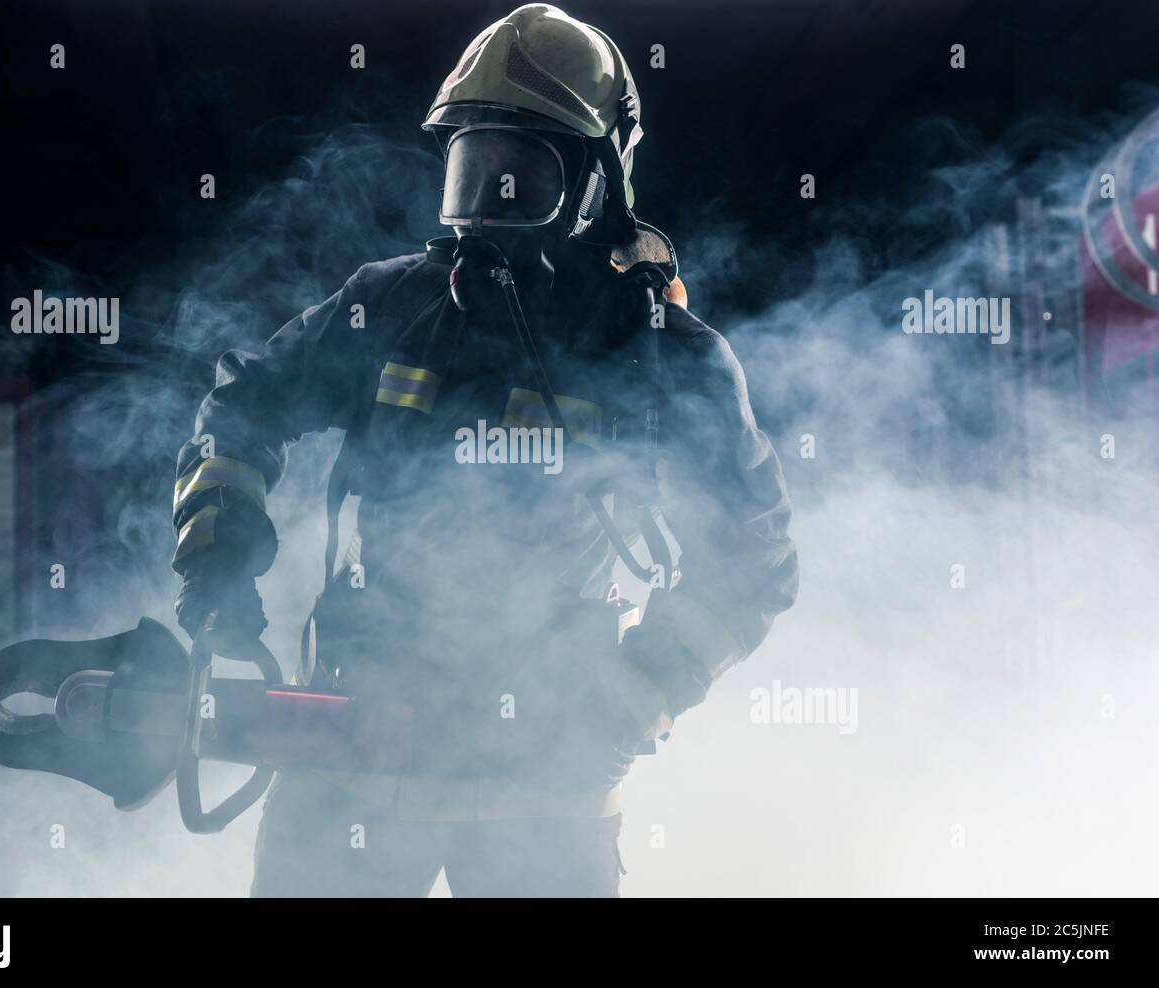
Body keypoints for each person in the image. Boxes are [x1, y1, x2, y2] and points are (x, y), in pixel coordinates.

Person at [170, 3, 798, 897]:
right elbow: (241, 410)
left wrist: (628, 702)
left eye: (521, 171)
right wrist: (217, 559)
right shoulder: (387, 306)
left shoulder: (661, 351)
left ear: (594, 187)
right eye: (473, 167)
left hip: (544, 789)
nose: (488, 203)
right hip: (349, 752)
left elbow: (756, 559)